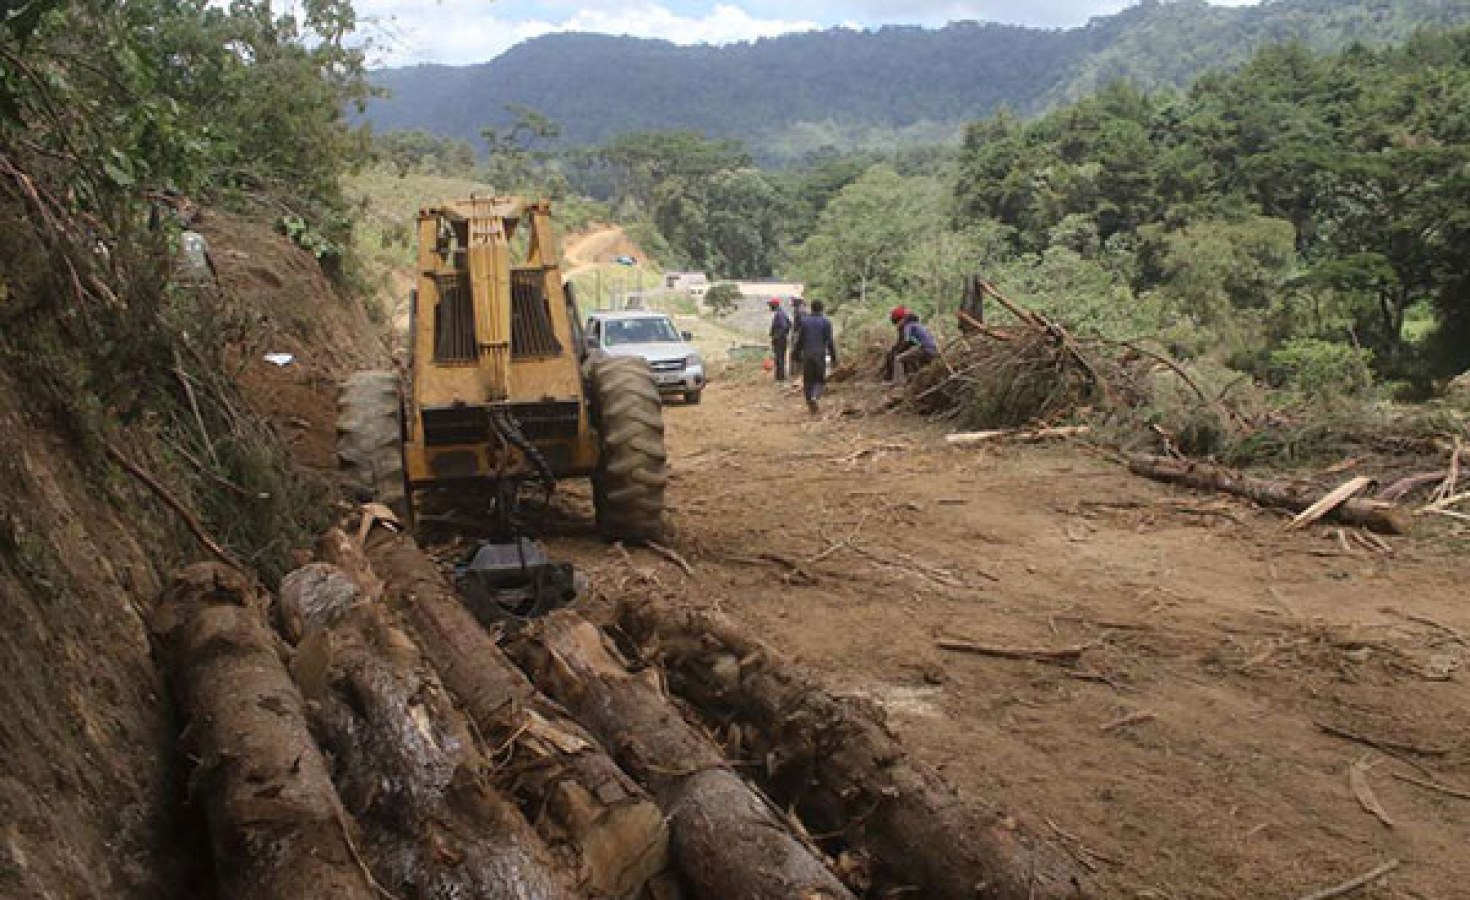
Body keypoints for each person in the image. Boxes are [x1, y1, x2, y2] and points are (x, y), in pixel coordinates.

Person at [792, 299, 838, 415]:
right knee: (819, 380)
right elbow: (830, 341)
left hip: (807, 355)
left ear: (811, 308)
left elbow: (800, 340)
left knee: (808, 380)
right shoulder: (826, 322)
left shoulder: (805, 321)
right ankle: (814, 397)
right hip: (819, 355)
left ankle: (809, 402)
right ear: (822, 309)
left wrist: (795, 353)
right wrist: (834, 358)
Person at [894, 311, 938, 385]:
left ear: (905, 320)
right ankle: (912, 380)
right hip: (934, 349)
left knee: (898, 359)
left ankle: (899, 383)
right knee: (912, 358)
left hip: (925, 348)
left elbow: (906, 340)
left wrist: (899, 350)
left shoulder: (908, 326)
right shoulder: (920, 325)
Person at [881, 305, 910, 381]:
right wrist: (895, 347)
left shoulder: (907, 326)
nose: (896, 324)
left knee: (894, 355)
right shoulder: (903, 326)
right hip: (908, 345)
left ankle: (896, 378)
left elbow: (906, 340)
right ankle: (891, 376)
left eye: (896, 321)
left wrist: (897, 349)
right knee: (890, 354)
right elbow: (901, 340)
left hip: (913, 346)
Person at [767, 298, 791, 381]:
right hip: (781, 339)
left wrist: (777, 336)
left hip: (780, 341)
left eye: (771, 305)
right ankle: (780, 377)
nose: (770, 306)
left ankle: (780, 378)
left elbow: (784, 326)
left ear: (775, 305)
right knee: (779, 358)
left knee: (779, 358)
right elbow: (789, 324)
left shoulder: (780, 314)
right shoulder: (781, 313)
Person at [788, 296, 806, 375]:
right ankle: (796, 371)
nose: (792, 303)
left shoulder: (800, 311)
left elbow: (800, 326)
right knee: (796, 353)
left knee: (796, 353)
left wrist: (796, 335)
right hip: (797, 334)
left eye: (793, 301)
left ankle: (797, 372)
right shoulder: (799, 310)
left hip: (798, 335)